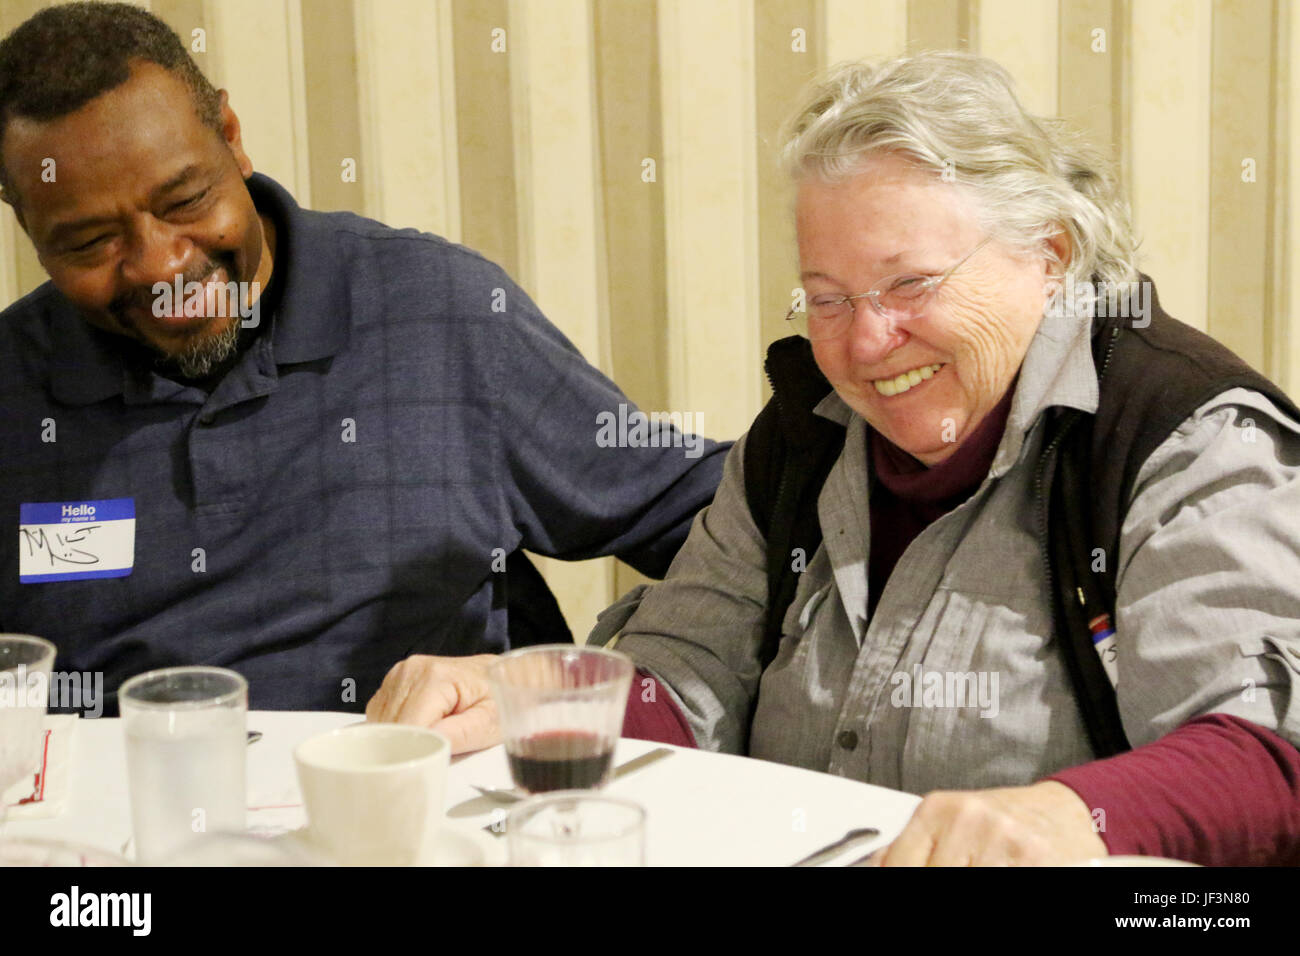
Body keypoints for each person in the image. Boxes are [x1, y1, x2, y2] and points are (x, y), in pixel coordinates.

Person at [368, 52, 1300, 866]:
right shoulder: (804, 437)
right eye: (827, 298)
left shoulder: (1178, 435)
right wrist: (539, 697)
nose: (867, 343)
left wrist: (1070, 814)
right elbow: (690, 674)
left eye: (911, 284)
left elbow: (1267, 754)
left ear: (1048, 256)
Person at [0, 3, 727, 714]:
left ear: (230, 135)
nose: (160, 267)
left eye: (186, 200)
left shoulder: (439, 313)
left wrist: (583, 685)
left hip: (418, 806)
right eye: (91, 242)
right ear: (24, 222)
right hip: (114, 820)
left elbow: (707, 516)